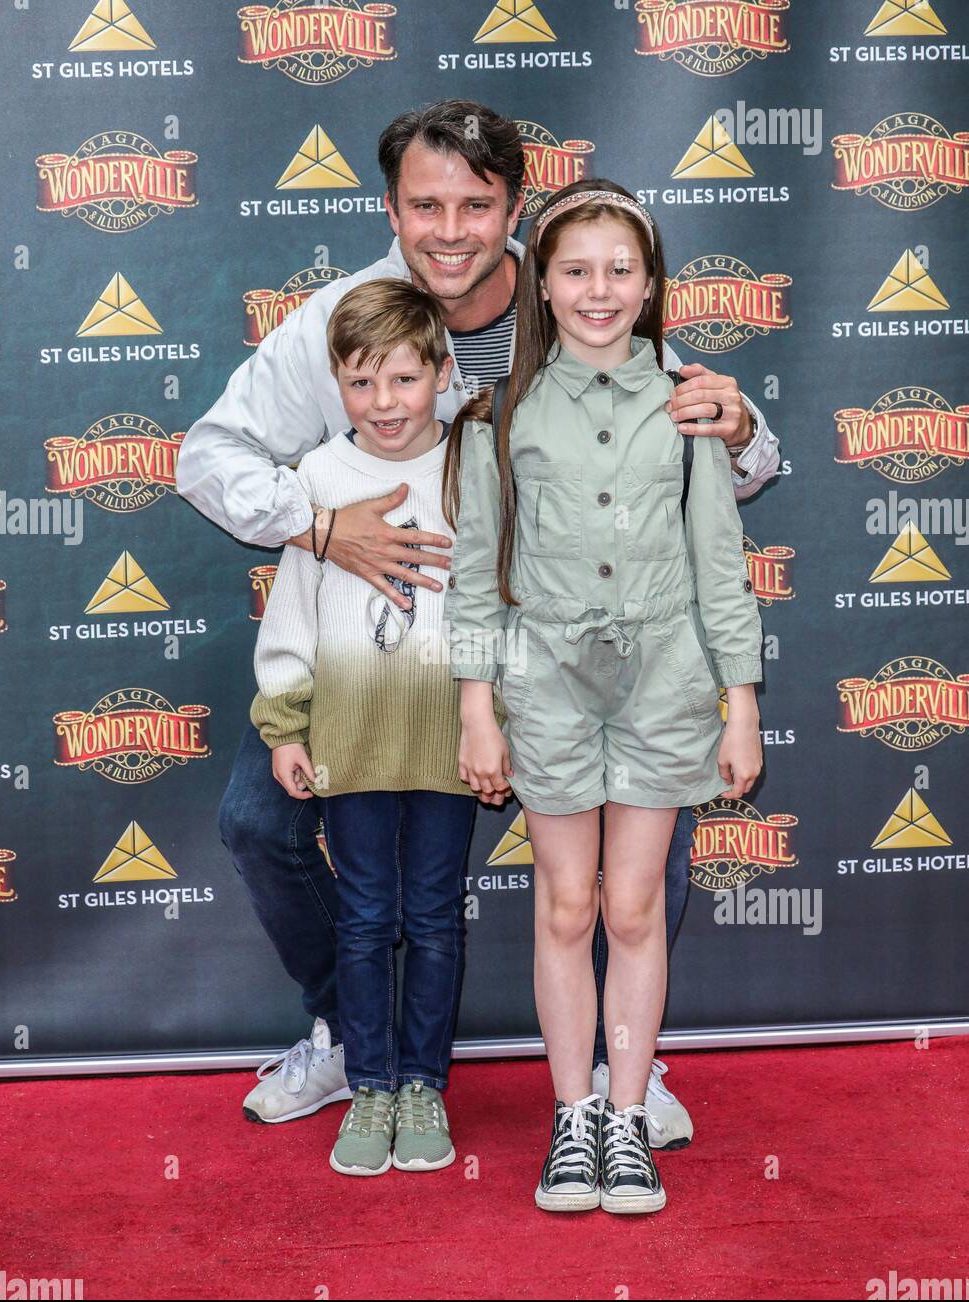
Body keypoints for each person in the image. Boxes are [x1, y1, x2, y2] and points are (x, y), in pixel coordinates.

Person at [175, 101, 781, 1133]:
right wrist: (320, 527)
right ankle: (344, 1034)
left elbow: (733, 455)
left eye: (475, 204)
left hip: (560, 641)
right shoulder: (341, 316)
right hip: (386, 650)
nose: (448, 230)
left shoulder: (574, 300)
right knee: (257, 820)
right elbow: (206, 456)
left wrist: (737, 428)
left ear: (514, 211)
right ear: (390, 207)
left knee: (648, 830)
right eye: (424, 205)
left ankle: (619, 1065)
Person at [441, 179, 764, 1213]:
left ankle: (627, 1117)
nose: (598, 289)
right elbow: (475, 571)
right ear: (541, 280)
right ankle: (570, 1118)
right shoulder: (500, 414)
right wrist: (476, 703)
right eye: (575, 269)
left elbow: (720, 563)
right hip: (545, 686)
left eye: (621, 270)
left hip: (665, 683)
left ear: (652, 283)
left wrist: (740, 700)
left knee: (632, 907)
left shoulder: (689, 404)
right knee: (565, 903)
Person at [251, 278, 505, 1176]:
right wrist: (286, 725)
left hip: (448, 736)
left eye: (402, 380)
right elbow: (290, 616)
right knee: (365, 920)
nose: (383, 403)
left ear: (442, 373)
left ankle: (422, 1084)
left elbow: (503, 602)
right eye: (361, 384)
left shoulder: (475, 466)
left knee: (434, 917)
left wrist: (497, 719)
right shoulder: (316, 480)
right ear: (337, 384)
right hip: (350, 745)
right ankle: (368, 1086)